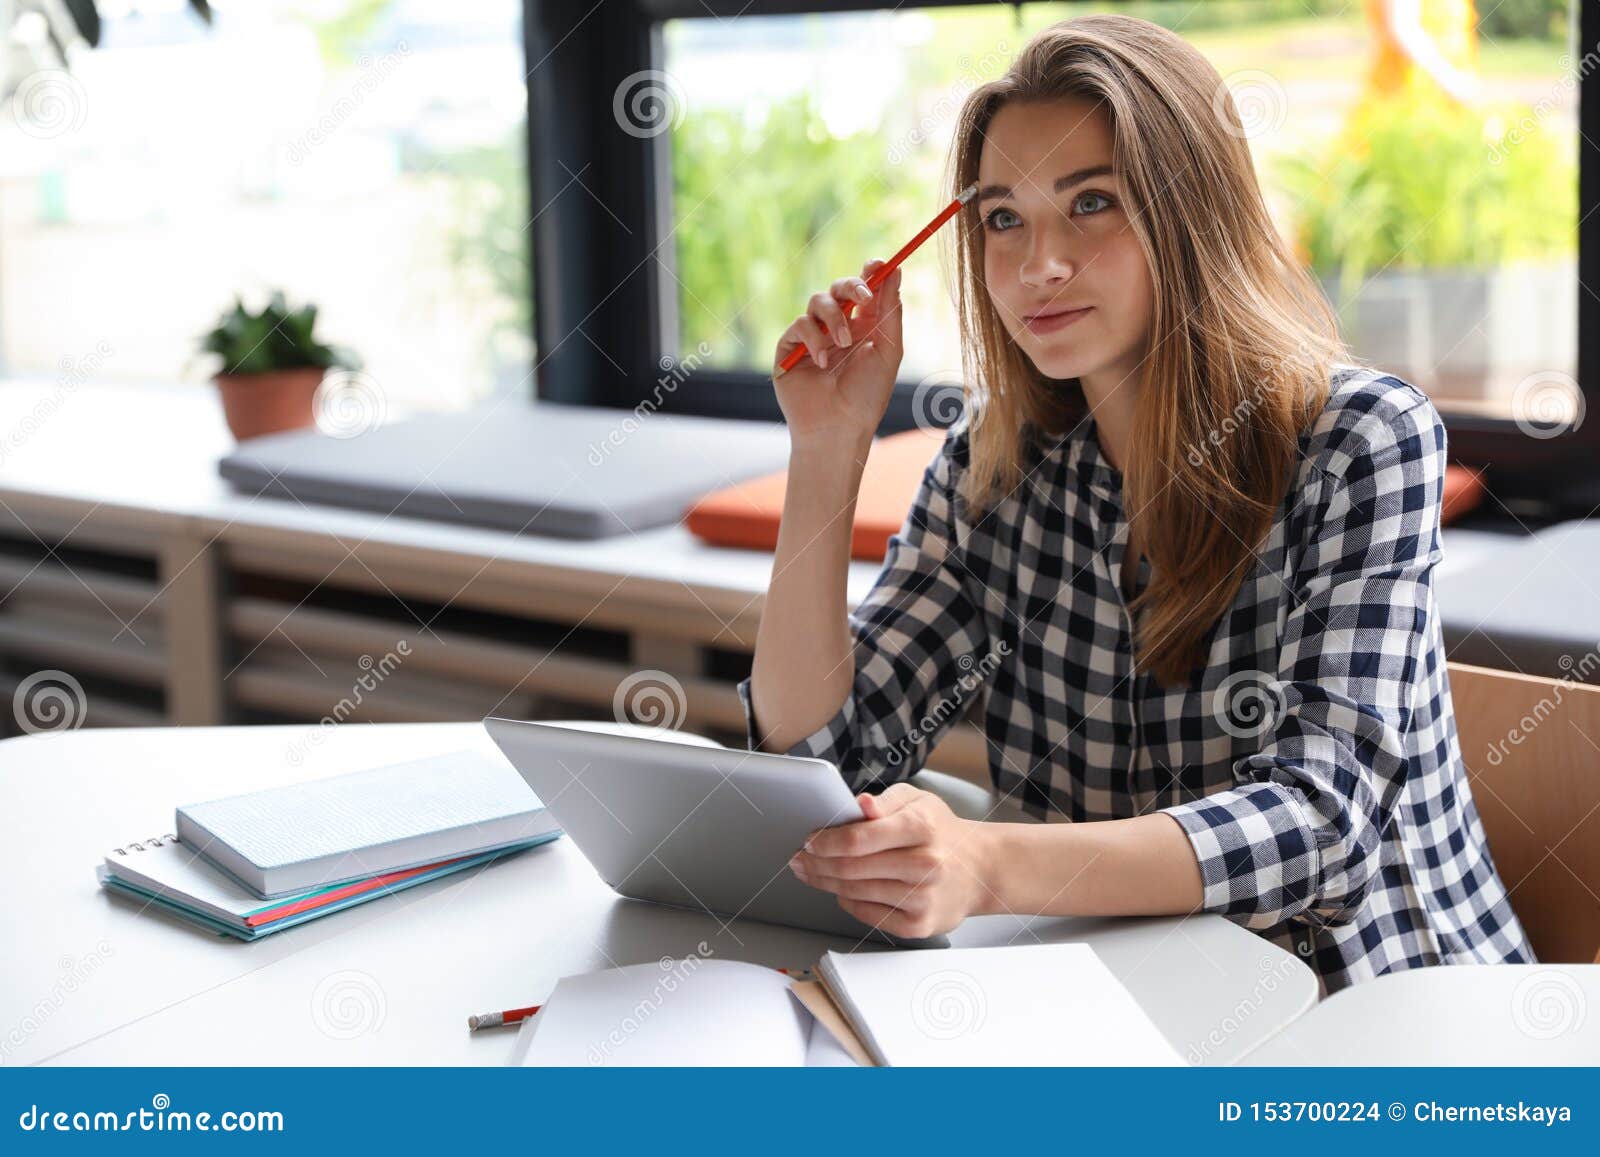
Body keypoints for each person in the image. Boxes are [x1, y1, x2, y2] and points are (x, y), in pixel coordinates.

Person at [739, 13, 1533, 994]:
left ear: (1190, 215)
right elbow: (826, 752)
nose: (1038, 266)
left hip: (1373, 1009)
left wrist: (986, 864)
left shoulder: (1360, 439)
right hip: (1113, 997)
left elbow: (1322, 826)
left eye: (1093, 203)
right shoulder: (996, 461)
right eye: (1002, 218)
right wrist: (825, 448)